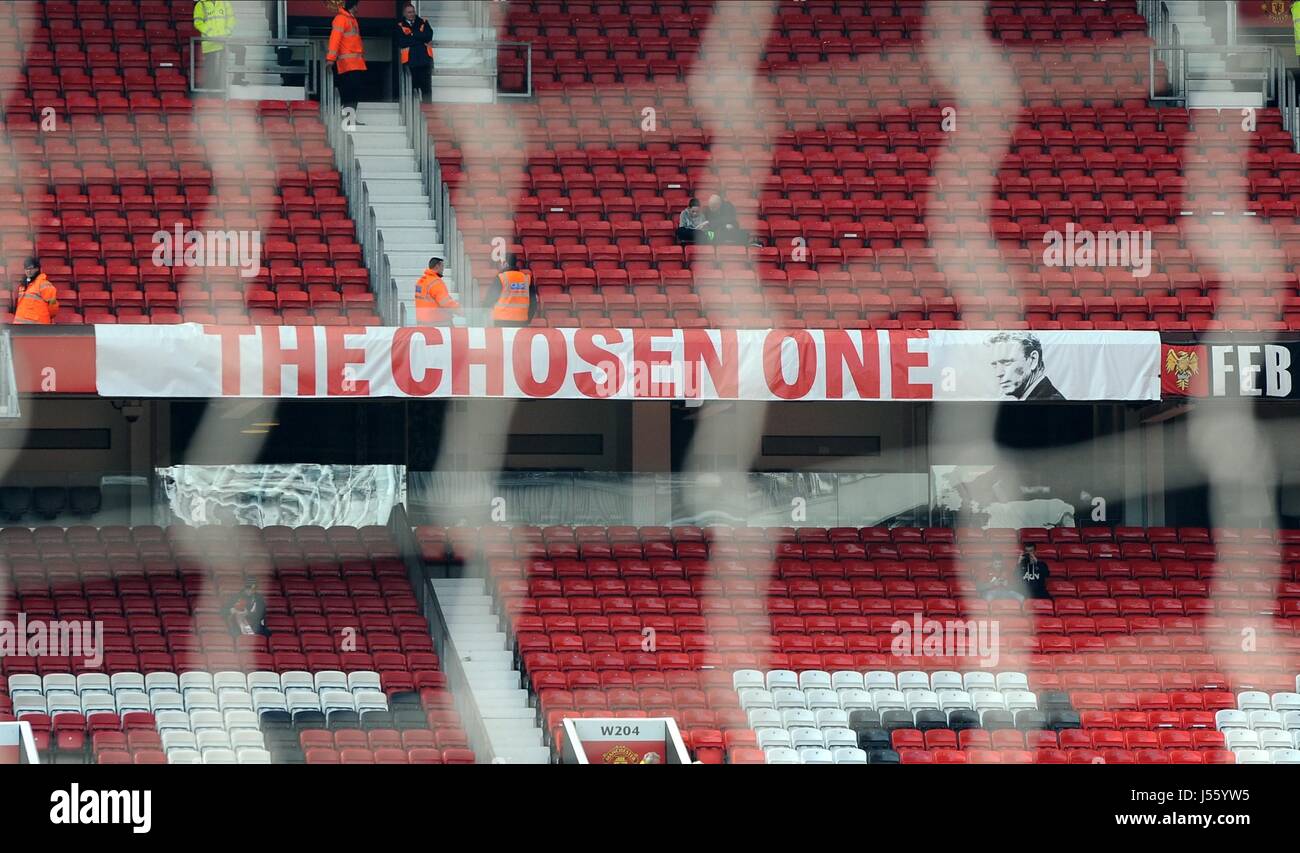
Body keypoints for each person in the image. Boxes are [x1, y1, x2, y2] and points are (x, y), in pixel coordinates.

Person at [985, 332, 1064, 400]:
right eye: (995, 365)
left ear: (1033, 359)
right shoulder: (1044, 397)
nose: (998, 373)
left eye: (1006, 362)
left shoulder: (1050, 402)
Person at [327, 0, 367, 117]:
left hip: (356, 63)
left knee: (354, 92)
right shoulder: (341, 19)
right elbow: (335, 40)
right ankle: (347, 119)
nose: (357, 7)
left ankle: (350, 118)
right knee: (349, 92)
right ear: (353, 6)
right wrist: (330, 59)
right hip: (347, 64)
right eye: (357, 5)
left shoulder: (352, 19)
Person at [193, 0, 241, 90]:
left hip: (225, 41)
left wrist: (225, 33)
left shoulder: (225, 2)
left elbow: (231, 19)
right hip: (210, 43)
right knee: (211, 68)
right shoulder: (201, 4)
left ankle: (238, 79)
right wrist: (212, 34)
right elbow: (198, 23)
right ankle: (211, 91)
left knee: (241, 50)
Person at [395, 2, 434, 103]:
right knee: (412, 87)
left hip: (424, 59)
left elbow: (428, 36)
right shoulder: (399, 25)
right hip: (410, 61)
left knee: (426, 88)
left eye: (413, 12)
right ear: (404, 14)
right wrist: (419, 37)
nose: (411, 14)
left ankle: (427, 109)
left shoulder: (423, 22)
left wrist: (411, 35)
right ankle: (414, 112)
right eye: (409, 12)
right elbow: (402, 42)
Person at [487, 254, 534, 327]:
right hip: (521, 320)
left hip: (501, 320)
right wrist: (528, 319)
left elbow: (490, 299)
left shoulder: (501, 278)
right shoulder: (526, 278)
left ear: (505, 263)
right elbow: (533, 303)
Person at [414, 257, 460, 324]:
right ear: (437, 266)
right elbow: (446, 302)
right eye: (442, 266)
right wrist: (460, 310)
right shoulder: (436, 282)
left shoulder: (420, 282)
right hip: (438, 321)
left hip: (422, 322)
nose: (443, 269)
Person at [13, 257, 58, 325]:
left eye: (31, 268)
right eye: (26, 269)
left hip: (38, 326)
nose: (28, 271)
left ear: (37, 269)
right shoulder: (23, 285)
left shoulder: (45, 285)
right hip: (20, 325)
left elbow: (53, 305)